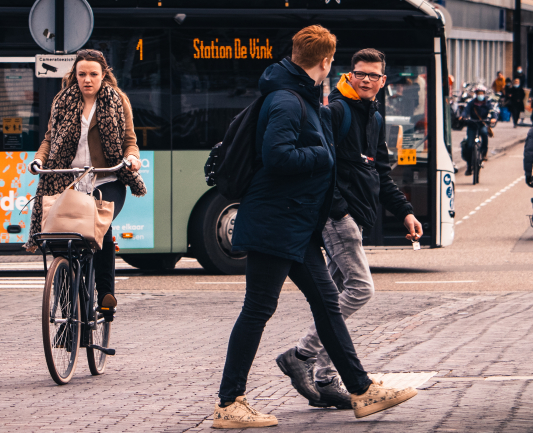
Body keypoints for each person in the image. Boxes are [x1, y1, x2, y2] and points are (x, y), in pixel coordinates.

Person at [210, 26, 416, 428]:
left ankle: (361, 390)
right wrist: (323, 156)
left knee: (326, 303)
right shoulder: (287, 99)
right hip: (276, 222)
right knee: (258, 309)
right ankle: (229, 402)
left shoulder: (298, 94)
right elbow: (277, 156)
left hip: (297, 224)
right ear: (326, 61)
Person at [275, 48, 422, 410]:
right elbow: (322, 165)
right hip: (339, 217)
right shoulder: (336, 112)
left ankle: (326, 379)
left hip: (356, 216)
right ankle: (301, 354)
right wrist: (338, 209)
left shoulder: (374, 117)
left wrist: (405, 212)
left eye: (373, 75)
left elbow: (380, 172)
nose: (366, 80)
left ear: (383, 81)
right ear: (350, 75)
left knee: (333, 298)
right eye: (360, 74)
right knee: (360, 289)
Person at [28, 48, 144, 323]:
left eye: (93, 74)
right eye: (82, 74)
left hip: (107, 179)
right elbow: (49, 138)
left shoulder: (117, 100)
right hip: (67, 180)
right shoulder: (62, 101)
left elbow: (129, 140)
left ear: (103, 75)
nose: (87, 79)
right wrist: (38, 160)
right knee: (60, 243)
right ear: (75, 75)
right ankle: (70, 313)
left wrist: (132, 159)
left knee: (99, 225)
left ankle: (105, 295)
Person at [462, 85, 496, 177]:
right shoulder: (472, 103)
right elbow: (466, 111)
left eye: (482, 93)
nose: (480, 95)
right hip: (472, 124)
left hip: (482, 124)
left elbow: (493, 112)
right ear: (476, 94)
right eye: (478, 93)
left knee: (484, 134)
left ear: (484, 94)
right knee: (469, 145)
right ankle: (469, 166)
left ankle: (484, 153)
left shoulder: (487, 103)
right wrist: (463, 116)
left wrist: (493, 118)